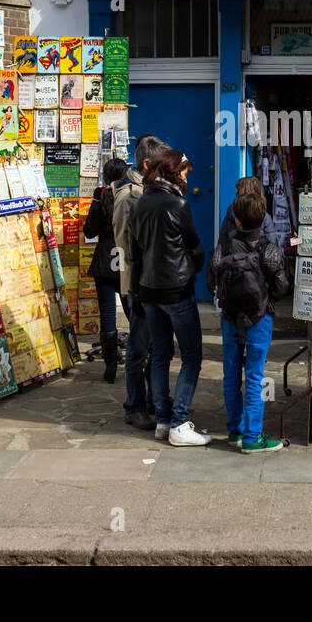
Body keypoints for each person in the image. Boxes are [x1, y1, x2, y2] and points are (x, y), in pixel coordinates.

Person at [129, 149, 209, 447]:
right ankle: (178, 422)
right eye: (185, 172)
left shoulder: (140, 204)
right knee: (191, 356)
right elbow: (194, 245)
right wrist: (195, 267)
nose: (187, 177)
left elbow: (135, 252)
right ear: (175, 172)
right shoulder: (178, 204)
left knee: (160, 355)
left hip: (148, 290)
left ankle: (163, 421)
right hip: (176, 290)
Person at [207, 193, 288, 454]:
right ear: (263, 217)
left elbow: (213, 279)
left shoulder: (225, 248)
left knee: (230, 374)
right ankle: (253, 437)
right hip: (259, 318)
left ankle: (235, 431)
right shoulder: (269, 250)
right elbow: (281, 287)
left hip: (230, 318)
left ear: (237, 220)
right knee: (255, 376)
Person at [112, 133, 169, 431]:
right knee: (137, 348)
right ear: (147, 164)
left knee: (153, 347)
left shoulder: (146, 191)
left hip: (152, 283)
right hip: (138, 285)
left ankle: (151, 401)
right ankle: (134, 405)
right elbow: (125, 246)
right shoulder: (129, 196)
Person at [85, 157, 131, 384]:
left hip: (104, 259)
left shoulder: (101, 196)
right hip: (124, 259)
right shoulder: (131, 196)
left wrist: (95, 202)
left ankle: (111, 363)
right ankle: (139, 359)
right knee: (133, 312)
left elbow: (89, 230)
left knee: (107, 314)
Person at [217, 176, 276, 249]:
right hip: (240, 258)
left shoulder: (264, 217)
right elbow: (271, 246)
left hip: (236, 258)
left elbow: (220, 247)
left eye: (238, 191)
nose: (235, 193)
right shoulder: (264, 216)